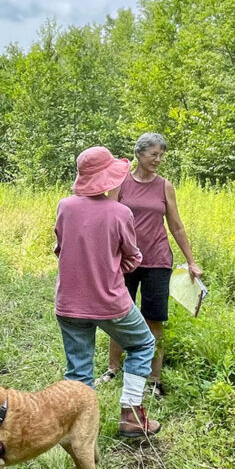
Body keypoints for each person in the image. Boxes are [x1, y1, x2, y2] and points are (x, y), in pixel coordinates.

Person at [53, 146, 161, 439]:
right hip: (109, 301)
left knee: (78, 370)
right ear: (109, 179)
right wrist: (114, 266)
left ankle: (80, 432)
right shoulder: (120, 213)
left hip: (69, 302)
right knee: (141, 344)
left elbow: (60, 249)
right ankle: (131, 416)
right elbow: (133, 257)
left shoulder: (65, 206)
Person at [98, 132, 201, 398]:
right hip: (125, 261)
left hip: (157, 260)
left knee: (155, 318)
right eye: (154, 154)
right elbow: (108, 220)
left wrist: (191, 260)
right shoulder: (121, 183)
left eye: (161, 155)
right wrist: (104, 257)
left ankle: (154, 378)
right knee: (120, 314)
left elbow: (176, 225)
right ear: (139, 154)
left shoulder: (165, 186)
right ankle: (112, 368)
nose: (158, 160)